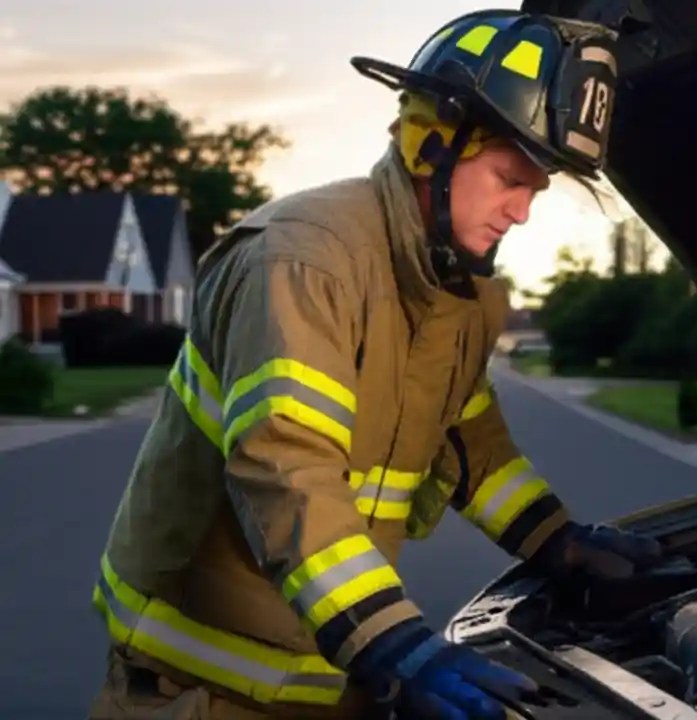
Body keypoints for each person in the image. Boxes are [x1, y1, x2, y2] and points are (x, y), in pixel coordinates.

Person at [87, 9, 662, 720]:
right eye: (510, 177)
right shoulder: (302, 261)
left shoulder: (465, 293)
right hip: (200, 685)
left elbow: (469, 444)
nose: (520, 212)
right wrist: (398, 643)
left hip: (336, 677)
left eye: (535, 190)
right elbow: (285, 467)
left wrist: (558, 542)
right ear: (431, 144)